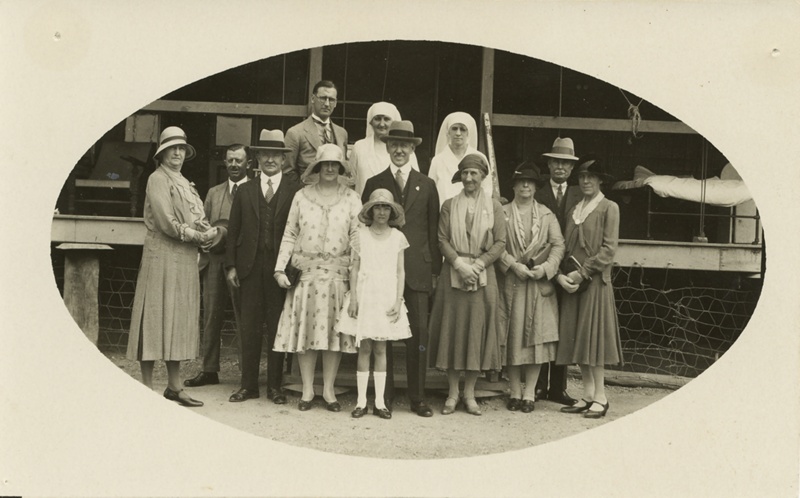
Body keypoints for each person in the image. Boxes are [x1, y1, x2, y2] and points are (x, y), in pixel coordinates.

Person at [126, 126, 217, 407]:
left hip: (184, 260)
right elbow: (166, 222)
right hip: (161, 255)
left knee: (178, 319)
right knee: (154, 317)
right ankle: (146, 388)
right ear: (162, 153)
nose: (177, 153)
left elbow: (197, 216)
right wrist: (195, 235)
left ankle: (175, 387)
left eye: (181, 149)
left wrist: (207, 230)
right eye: (172, 148)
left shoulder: (185, 182)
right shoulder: (157, 179)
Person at [362, 120, 441, 417]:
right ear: (387, 147)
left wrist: (434, 271)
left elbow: (433, 231)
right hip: (382, 272)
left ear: (412, 149)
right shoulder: (374, 183)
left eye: (404, 145)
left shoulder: (427, 184)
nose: (399, 149)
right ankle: (384, 397)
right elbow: (367, 227)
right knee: (383, 332)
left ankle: (418, 397)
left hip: (418, 271)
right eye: (393, 144)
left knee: (418, 334)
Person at [273, 143, 360, 412]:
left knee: (334, 336)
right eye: (326, 164)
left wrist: (357, 278)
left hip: (337, 276)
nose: (331, 168)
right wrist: (279, 269)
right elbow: (289, 233)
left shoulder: (351, 198)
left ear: (341, 169)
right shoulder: (301, 196)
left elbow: (356, 238)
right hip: (306, 276)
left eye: (335, 164)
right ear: (318, 168)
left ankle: (330, 391)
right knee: (307, 334)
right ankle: (308, 390)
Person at [224, 130, 303, 404]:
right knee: (250, 328)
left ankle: (275, 387)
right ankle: (248, 386)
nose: (270, 159)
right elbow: (233, 232)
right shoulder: (245, 190)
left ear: (283, 160)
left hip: (281, 271)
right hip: (249, 268)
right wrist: (231, 266)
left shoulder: (295, 190)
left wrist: (293, 267)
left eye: (276, 155)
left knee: (278, 327)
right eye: (265, 154)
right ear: (257, 158)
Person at [428, 153, 506, 416]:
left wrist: (479, 264)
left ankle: (470, 393)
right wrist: (459, 265)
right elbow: (441, 239)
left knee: (476, 332)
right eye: (465, 173)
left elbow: (500, 243)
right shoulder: (449, 205)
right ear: (460, 177)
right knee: (453, 331)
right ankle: (452, 393)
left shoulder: (494, 206)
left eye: (474, 173)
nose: (469, 178)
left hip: (483, 276)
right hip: (454, 273)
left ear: (483, 177)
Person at [556, 155, 623, 419]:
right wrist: (564, 275)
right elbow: (565, 245)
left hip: (594, 282)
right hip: (573, 282)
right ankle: (586, 395)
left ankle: (601, 398)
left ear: (600, 181)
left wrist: (582, 274)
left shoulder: (609, 208)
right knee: (579, 339)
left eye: (591, 177)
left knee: (593, 342)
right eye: (582, 177)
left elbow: (609, 250)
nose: (585, 181)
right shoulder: (575, 208)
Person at [336, 189, 412, 420]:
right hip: (365, 294)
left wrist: (398, 301)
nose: (382, 212)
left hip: (386, 295)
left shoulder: (397, 237)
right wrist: (355, 298)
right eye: (377, 207)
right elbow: (355, 267)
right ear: (370, 210)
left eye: (386, 207)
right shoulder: (361, 234)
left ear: (392, 211)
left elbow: (400, 271)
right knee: (365, 347)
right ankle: (361, 402)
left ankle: (380, 403)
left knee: (380, 348)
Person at [496, 164, 565, 413]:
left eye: (530, 182)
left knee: (535, 341)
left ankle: (529, 394)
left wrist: (546, 268)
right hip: (512, 284)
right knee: (512, 338)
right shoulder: (501, 212)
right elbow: (494, 244)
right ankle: (514, 391)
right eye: (521, 181)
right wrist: (513, 265)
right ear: (513, 186)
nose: (525, 186)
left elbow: (558, 245)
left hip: (537, 286)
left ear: (536, 187)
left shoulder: (546, 215)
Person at [184, 143, 250, 388]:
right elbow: (205, 224)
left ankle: (247, 371)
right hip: (215, 261)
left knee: (245, 316)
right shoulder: (213, 192)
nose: (234, 165)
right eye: (230, 160)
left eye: (239, 160)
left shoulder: (253, 191)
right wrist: (208, 234)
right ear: (225, 162)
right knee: (211, 315)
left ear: (248, 164)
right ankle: (209, 369)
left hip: (242, 263)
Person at [532, 136, 582, 406]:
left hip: (570, 271)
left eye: (565, 163)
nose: (560, 167)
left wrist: (569, 271)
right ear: (548, 165)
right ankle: (538, 385)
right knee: (542, 327)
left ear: (572, 168)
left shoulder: (579, 195)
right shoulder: (537, 193)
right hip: (545, 268)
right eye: (556, 162)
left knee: (563, 329)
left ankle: (557, 388)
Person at [284, 80, 349, 183]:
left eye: (331, 100)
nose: (327, 104)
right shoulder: (295, 132)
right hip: (308, 193)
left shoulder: (342, 133)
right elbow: (288, 172)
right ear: (313, 99)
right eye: (323, 98)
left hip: (337, 194)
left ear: (336, 103)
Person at [350, 101, 419, 195]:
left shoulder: (406, 152)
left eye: (386, 119)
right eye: (377, 119)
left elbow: (414, 183)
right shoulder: (359, 147)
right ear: (371, 122)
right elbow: (351, 181)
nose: (382, 124)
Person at [427, 111, 493, 207]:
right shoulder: (437, 160)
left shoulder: (479, 157)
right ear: (448, 132)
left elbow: (487, 189)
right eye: (454, 129)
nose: (458, 133)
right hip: (445, 214)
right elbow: (431, 192)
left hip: (473, 213)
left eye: (462, 129)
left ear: (468, 133)